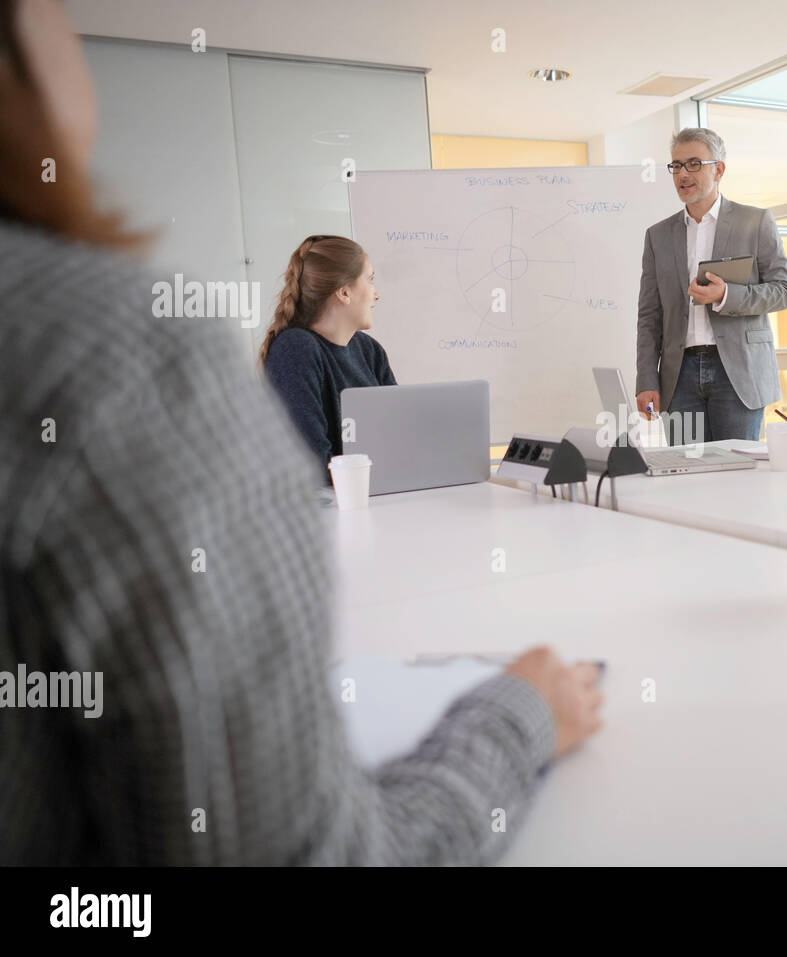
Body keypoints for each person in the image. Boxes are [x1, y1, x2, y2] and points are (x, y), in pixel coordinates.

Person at [0, 0, 601, 865]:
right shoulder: (129, 353)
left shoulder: (371, 346)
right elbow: (303, 851)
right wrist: (515, 716)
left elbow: (400, 434)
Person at [636, 127, 787, 444]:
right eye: (677, 165)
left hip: (737, 373)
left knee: (738, 480)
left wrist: (726, 295)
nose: (683, 173)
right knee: (688, 480)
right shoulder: (658, 235)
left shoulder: (756, 221)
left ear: (719, 169)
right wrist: (646, 378)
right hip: (677, 377)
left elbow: (784, 290)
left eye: (694, 163)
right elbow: (649, 315)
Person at [260, 235, 395, 476]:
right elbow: (311, 462)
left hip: (376, 491)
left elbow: (399, 434)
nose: (377, 295)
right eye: (370, 280)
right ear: (344, 293)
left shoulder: (369, 350)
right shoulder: (295, 349)